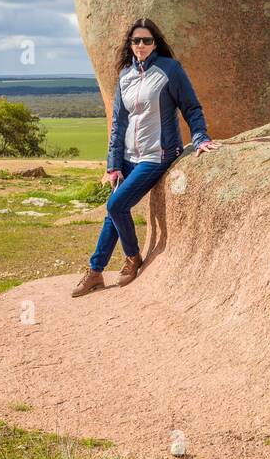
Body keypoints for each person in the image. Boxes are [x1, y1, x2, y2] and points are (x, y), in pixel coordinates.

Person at [72, 18, 216, 296]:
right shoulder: (125, 76)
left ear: (155, 43)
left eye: (146, 40)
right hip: (128, 156)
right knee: (114, 211)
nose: (141, 45)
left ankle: (133, 257)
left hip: (157, 155)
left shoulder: (169, 70)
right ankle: (96, 272)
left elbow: (191, 107)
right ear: (130, 44)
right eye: (136, 40)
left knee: (115, 205)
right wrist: (113, 165)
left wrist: (200, 137)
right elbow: (118, 124)